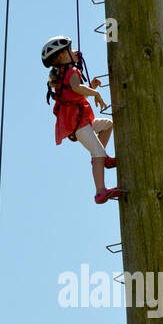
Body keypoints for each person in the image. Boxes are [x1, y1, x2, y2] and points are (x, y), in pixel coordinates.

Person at [41, 35, 123, 204]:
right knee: (97, 152)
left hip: (81, 122)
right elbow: (77, 88)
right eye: (70, 50)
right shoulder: (71, 72)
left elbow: (75, 92)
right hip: (80, 124)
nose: (75, 52)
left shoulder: (64, 75)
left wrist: (91, 86)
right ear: (62, 56)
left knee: (107, 125)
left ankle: (102, 159)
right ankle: (100, 192)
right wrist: (96, 93)